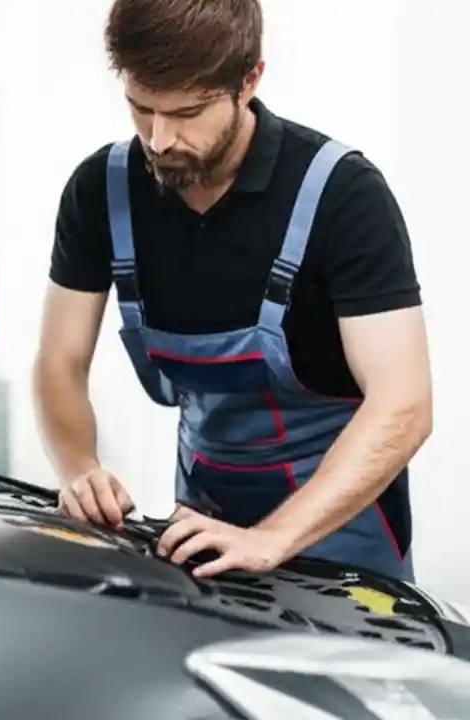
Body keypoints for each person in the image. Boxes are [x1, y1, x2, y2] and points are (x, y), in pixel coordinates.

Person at [33, 0, 432, 582]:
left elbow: (405, 404)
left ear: (249, 81)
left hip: (344, 541)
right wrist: (78, 469)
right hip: (203, 531)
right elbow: (59, 362)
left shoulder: (343, 196)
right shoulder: (101, 191)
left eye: (187, 113)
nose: (159, 139)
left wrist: (271, 539)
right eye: (141, 108)